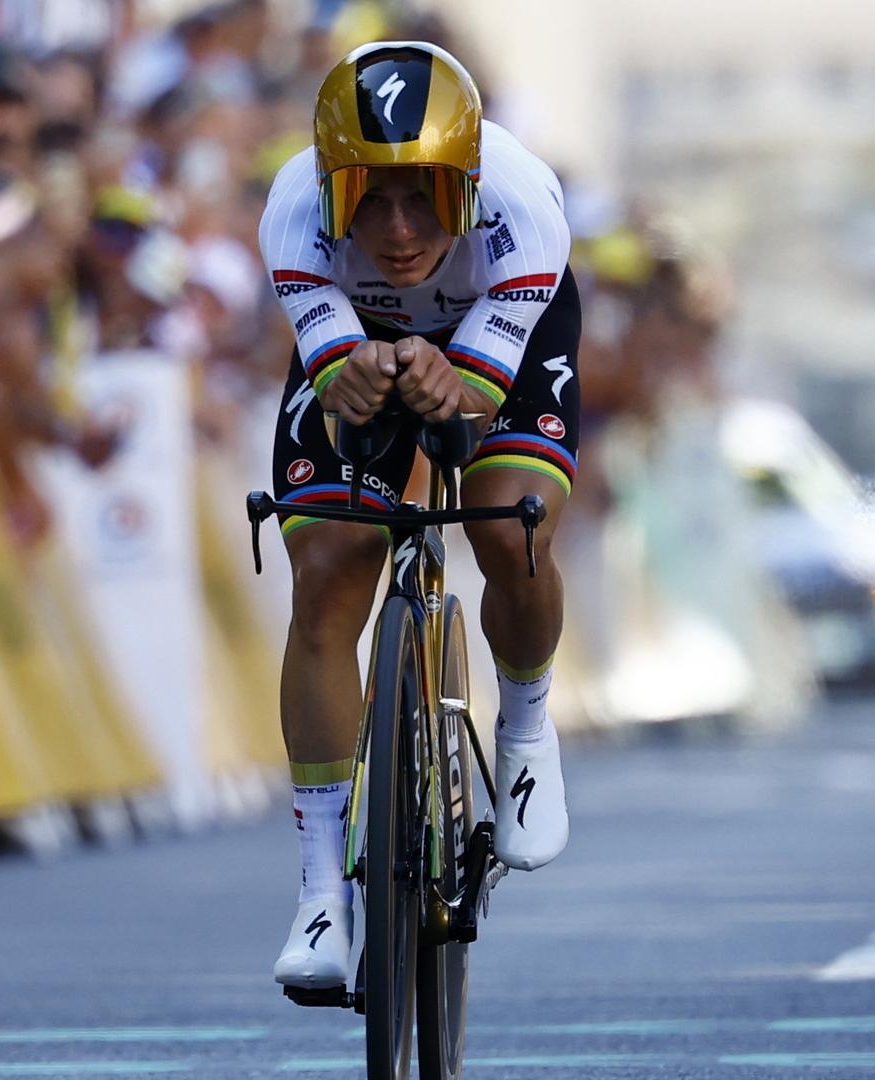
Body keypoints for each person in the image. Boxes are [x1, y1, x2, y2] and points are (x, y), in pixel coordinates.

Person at [259, 40, 578, 989]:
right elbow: (338, 378)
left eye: (426, 196)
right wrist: (349, 367)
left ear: (470, 185)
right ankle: (322, 892)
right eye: (369, 198)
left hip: (500, 320)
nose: (398, 231)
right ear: (329, 191)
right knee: (327, 576)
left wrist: (453, 382)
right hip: (358, 330)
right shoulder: (290, 215)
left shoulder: (526, 212)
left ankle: (526, 733)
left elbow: (471, 400)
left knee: (508, 529)